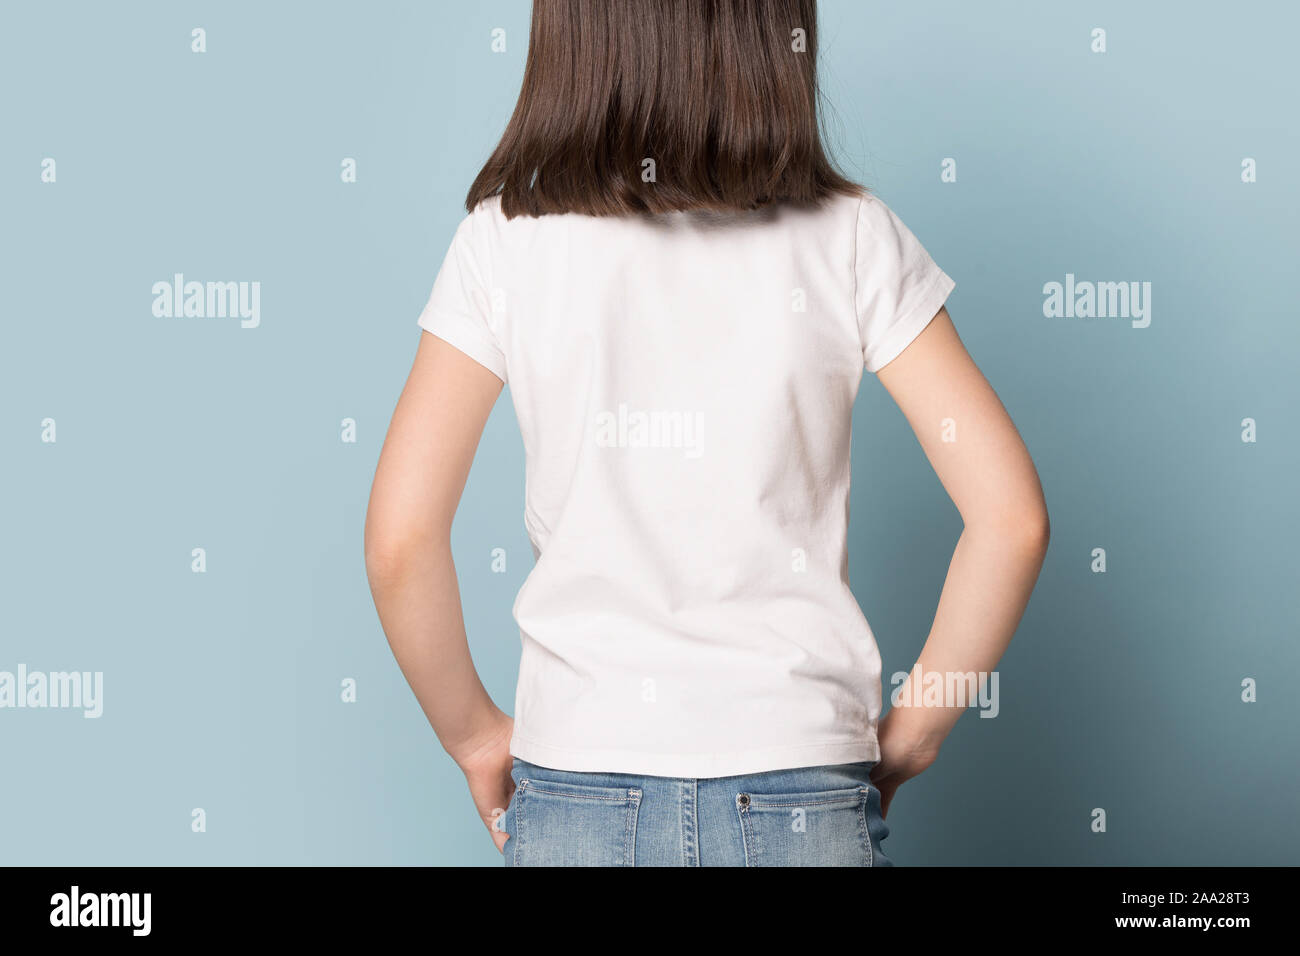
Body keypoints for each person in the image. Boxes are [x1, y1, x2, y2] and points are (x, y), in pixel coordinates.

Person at [364, 0, 1049, 867]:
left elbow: (399, 540)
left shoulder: (503, 245)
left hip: (579, 780)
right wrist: (917, 731)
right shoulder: (850, 239)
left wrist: (471, 736)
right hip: (802, 779)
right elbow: (1011, 519)